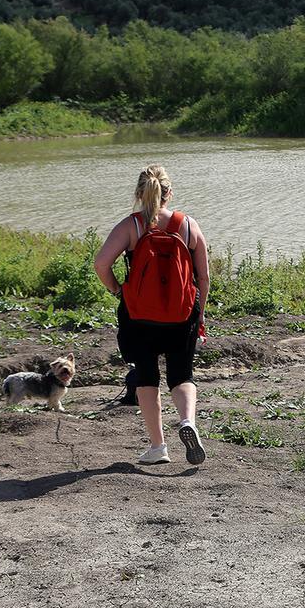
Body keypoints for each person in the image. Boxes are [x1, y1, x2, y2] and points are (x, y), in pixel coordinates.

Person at [94, 165, 210, 465]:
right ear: (169, 193)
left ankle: (158, 447)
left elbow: (101, 264)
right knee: (182, 374)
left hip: (139, 315)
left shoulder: (130, 226)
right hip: (182, 313)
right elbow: (204, 277)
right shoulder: (187, 226)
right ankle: (187, 423)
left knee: (147, 376)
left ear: (138, 193)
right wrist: (200, 312)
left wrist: (119, 290)